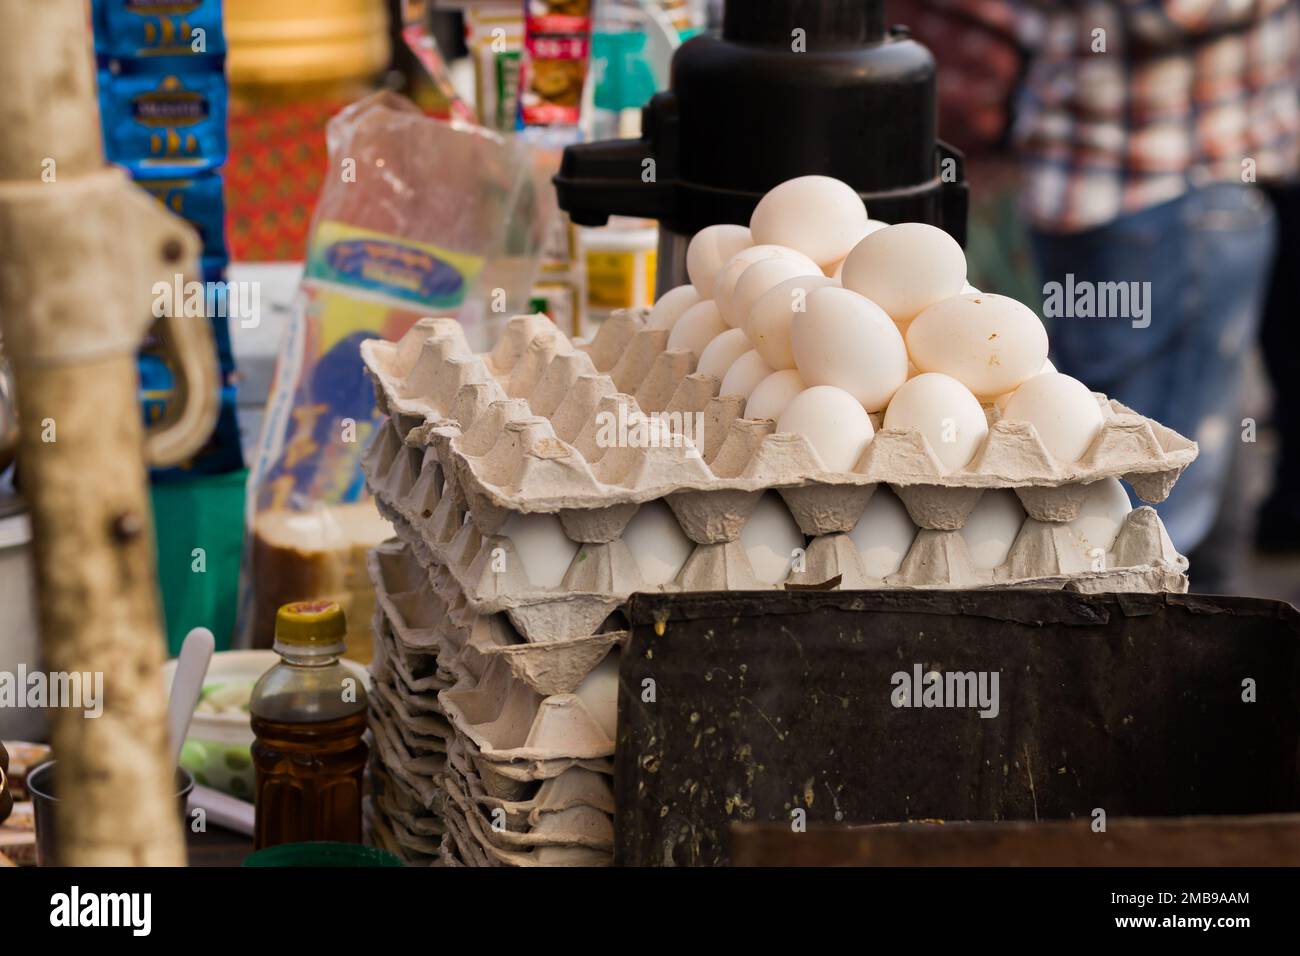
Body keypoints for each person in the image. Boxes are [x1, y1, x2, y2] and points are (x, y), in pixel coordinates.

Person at [1011, 0, 1299, 591]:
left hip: (1128, 178)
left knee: (1178, 454)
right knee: (1139, 496)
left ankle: (1203, 659)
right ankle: (1134, 669)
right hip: (1158, 184)